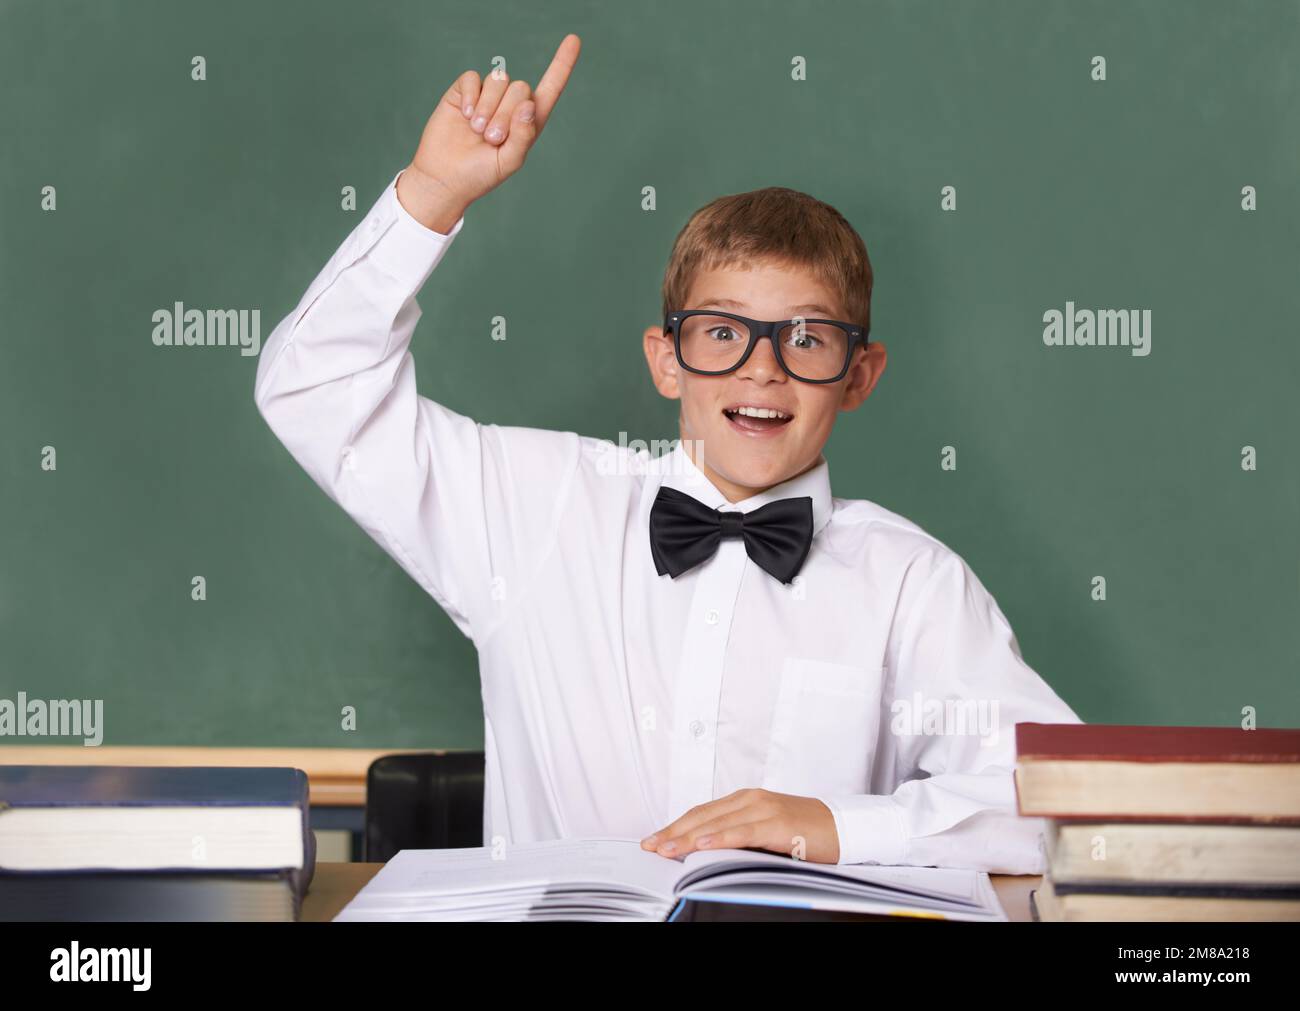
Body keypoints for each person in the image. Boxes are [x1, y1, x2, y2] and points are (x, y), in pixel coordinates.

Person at [254, 33, 1081, 872]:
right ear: (665, 359)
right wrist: (432, 193)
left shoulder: (912, 584)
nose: (763, 367)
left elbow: (1062, 802)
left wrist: (837, 826)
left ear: (859, 375)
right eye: (723, 332)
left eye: (807, 337)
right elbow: (311, 391)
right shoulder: (534, 506)